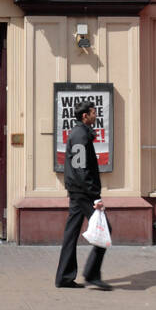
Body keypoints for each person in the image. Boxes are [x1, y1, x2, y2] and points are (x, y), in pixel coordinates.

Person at [56, 99, 111, 290]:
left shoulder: (81, 133)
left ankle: (64, 277)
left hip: (78, 191)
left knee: (71, 233)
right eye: (94, 113)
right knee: (105, 230)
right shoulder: (80, 135)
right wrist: (95, 196)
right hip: (83, 192)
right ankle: (92, 274)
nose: (97, 115)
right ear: (85, 116)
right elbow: (81, 169)